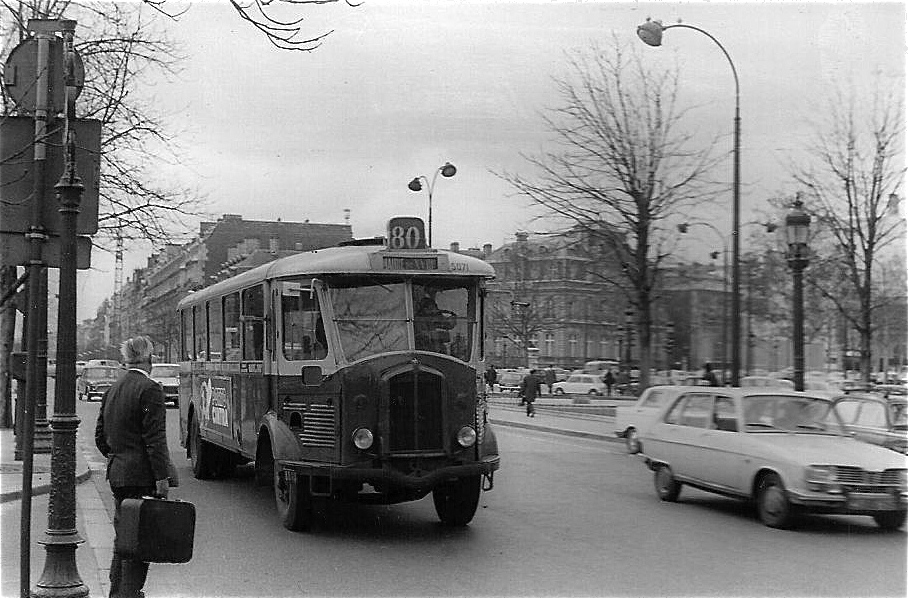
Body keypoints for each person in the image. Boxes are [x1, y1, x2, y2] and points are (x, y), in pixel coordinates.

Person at [95, 335, 174, 598]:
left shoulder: (113, 389)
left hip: (118, 475)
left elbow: (100, 437)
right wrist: (162, 478)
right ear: (149, 359)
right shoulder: (150, 389)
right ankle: (129, 593)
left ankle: (117, 592)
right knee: (140, 542)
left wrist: (117, 457)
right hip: (141, 477)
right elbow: (155, 438)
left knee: (123, 538)